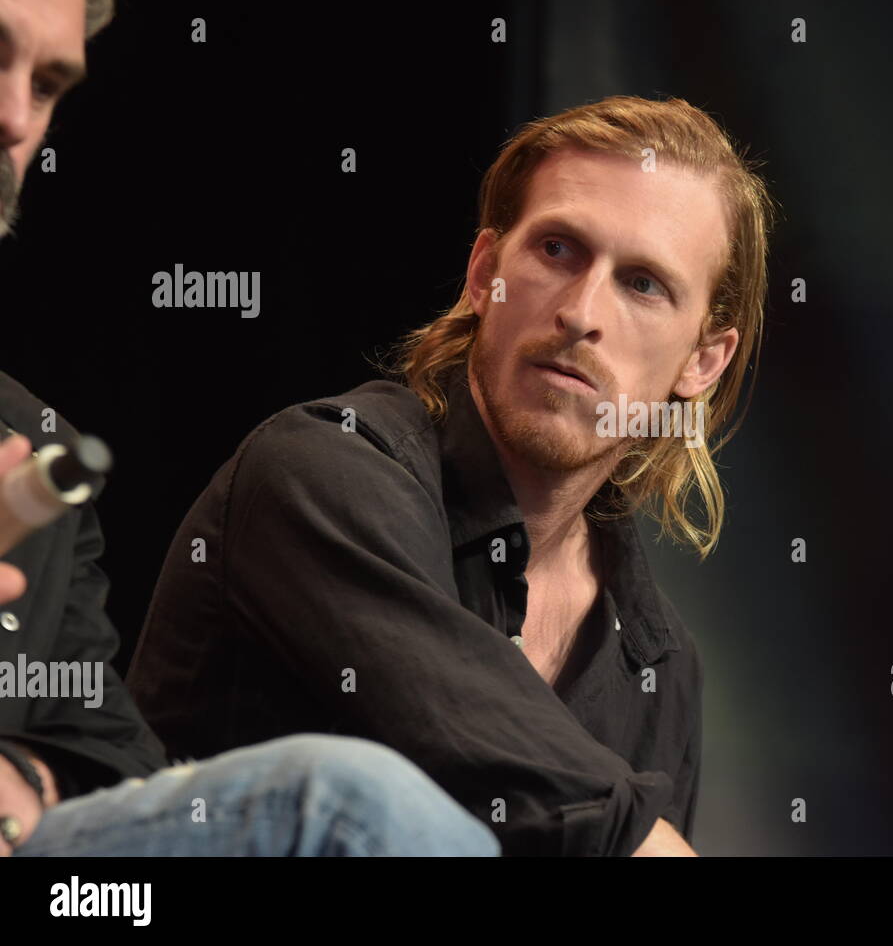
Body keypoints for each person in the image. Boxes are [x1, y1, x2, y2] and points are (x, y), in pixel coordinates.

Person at [127, 93, 778, 856]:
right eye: (558, 250)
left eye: (643, 284)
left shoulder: (659, 665)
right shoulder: (319, 473)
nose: (580, 312)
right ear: (483, 273)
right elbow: (477, 752)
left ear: (704, 361)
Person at [0, 0, 499, 857]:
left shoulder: (32, 443)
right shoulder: (331, 466)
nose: (14, 117)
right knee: (346, 806)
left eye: (45, 85)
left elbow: (111, 764)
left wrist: (23, 786)